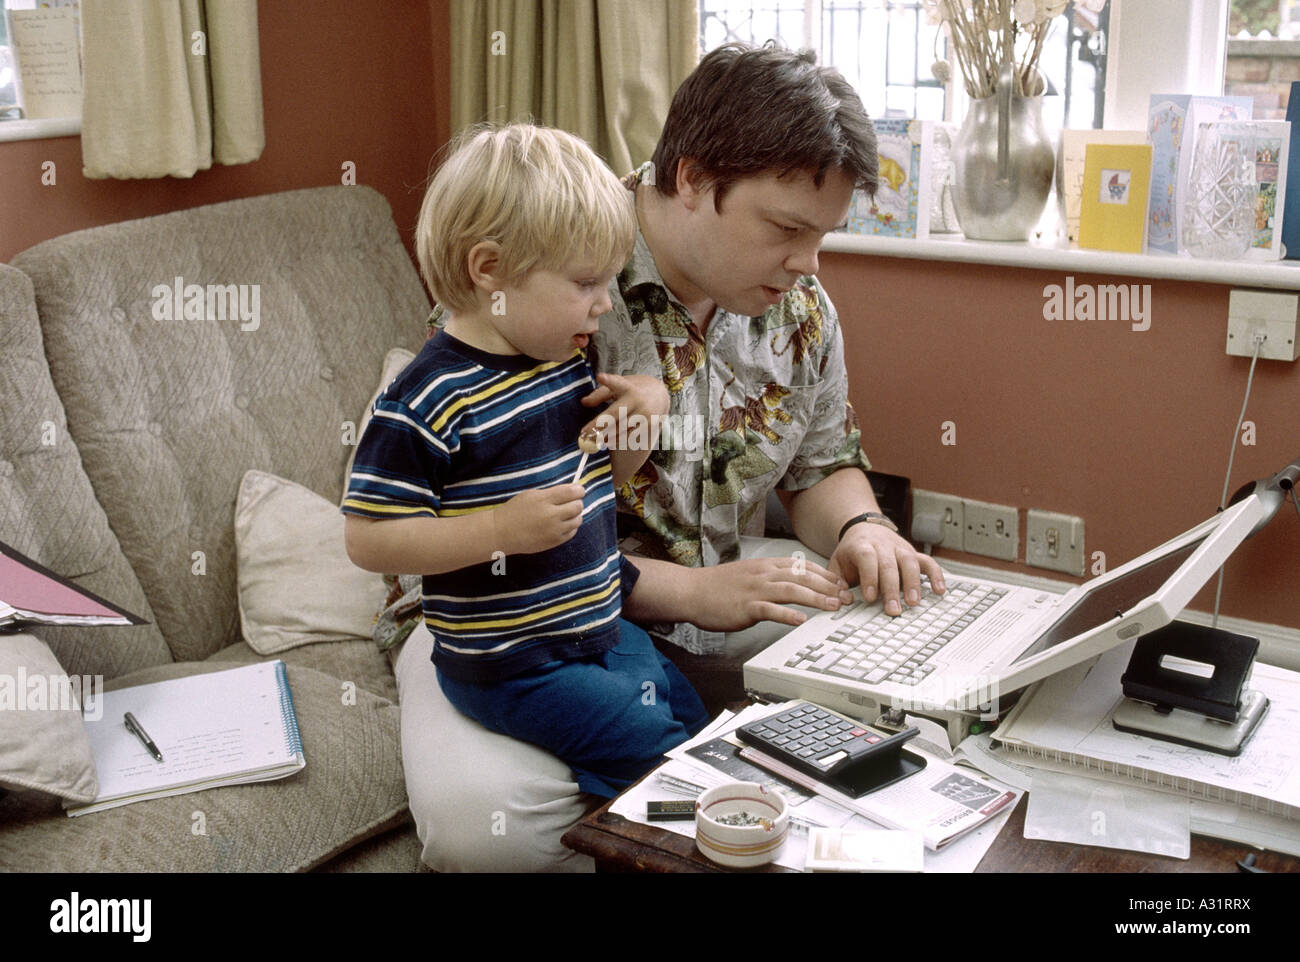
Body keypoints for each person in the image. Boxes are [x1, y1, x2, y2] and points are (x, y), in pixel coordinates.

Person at [396, 42, 946, 871]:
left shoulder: (798, 308)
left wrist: (862, 527)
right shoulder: (553, 278)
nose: (809, 263)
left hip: (703, 599)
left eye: (824, 235)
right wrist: (694, 590)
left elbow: (821, 465)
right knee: (486, 832)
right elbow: (479, 535)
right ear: (690, 179)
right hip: (505, 618)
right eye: (788, 229)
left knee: (914, 708)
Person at [343, 123, 709, 803]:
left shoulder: (562, 362)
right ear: (490, 273)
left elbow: (602, 479)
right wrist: (498, 531)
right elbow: (367, 538)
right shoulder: (425, 399)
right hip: (509, 664)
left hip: (598, 627)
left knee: (694, 720)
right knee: (652, 749)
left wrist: (646, 414)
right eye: (585, 282)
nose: (605, 302)